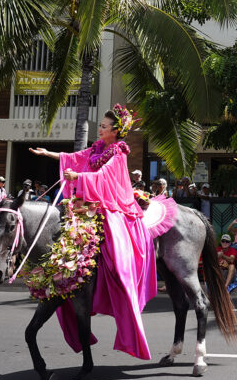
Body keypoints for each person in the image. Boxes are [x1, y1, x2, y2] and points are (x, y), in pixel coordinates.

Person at [28, 104, 161, 360]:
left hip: (114, 202)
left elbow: (104, 176)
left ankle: (119, 278)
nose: (100, 129)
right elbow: (75, 157)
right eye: (100, 125)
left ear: (115, 131)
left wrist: (78, 177)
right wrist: (48, 153)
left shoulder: (118, 152)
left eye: (103, 126)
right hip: (95, 202)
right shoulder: (98, 148)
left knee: (112, 241)